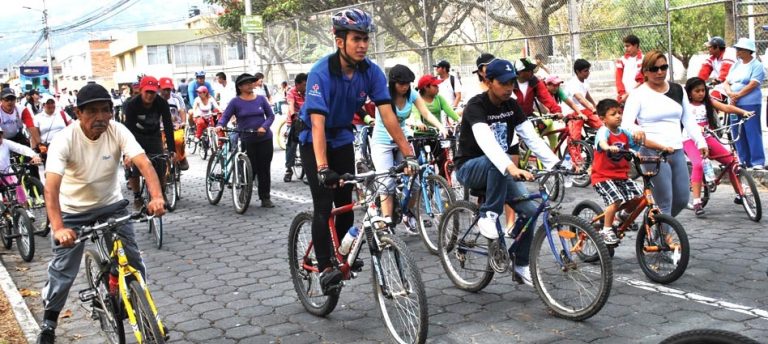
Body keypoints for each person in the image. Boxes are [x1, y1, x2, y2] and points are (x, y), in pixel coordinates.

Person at [297, 8, 418, 294]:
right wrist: (323, 168)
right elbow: (317, 125)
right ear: (340, 41)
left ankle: (341, 256)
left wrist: (409, 153)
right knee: (324, 204)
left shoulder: (372, 72)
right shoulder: (321, 73)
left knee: (346, 206)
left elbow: (388, 116)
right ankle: (326, 266)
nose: (363, 44)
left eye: (365, 38)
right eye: (356, 38)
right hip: (314, 140)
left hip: (341, 138)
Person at [36, 83, 166, 344]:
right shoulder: (65, 140)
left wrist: (157, 197)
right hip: (73, 212)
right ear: (77, 113)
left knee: (133, 260)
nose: (101, 117)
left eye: (106, 110)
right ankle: (49, 323)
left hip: (111, 205)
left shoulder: (116, 130)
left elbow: (144, 163)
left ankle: (143, 308)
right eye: (92, 111)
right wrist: (59, 227)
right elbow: (51, 189)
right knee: (64, 271)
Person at [455, 58, 559, 286]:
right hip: (470, 167)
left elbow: (531, 136)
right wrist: (511, 167)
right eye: (503, 83)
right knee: (497, 159)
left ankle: (520, 265)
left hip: (499, 169)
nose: (509, 87)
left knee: (531, 212)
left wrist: (555, 163)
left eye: (512, 82)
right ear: (489, 81)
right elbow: (487, 142)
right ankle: (489, 215)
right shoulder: (476, 106)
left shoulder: (511, 106)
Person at [622, 50, 708, 218]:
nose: (660, 72)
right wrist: (636, 129)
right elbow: (626, 123)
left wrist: (700, 141)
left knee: (682, 200)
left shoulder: (677, 90)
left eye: (664, 67)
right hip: (651, 152)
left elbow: (688, 119)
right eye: (654, 69)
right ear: (645, 71)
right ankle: (664, 240)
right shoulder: (638, 94)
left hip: (675, 149)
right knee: (665, 201)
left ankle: (658, 225)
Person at [371, 65, 447, 235]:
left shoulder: (411, 94)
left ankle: (407, 212)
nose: (405, 87)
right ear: (393, 83)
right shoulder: (383, 95)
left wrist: (440, 126)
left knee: (415, 183)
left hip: (403, 140)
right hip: (383, 141)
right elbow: (389, 122)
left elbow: (426, 113)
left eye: (408, 83)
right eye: (401, 83)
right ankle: (387, 223)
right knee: (387, 183)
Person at [591, 99, 673, 245]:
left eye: (619, 113)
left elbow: (642, 143)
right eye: (613, 114)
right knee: (615, 199)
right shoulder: (604, 132)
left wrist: (662, 147)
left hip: (621, 175)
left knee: (637, 198)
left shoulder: (624, 133)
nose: (618, 116)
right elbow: (602, 142)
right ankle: (606, 230)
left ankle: (622, 216)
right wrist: (608, 148)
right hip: (603, 176)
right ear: (603, 118)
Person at [683, 77, 752, 215]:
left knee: (731, 162)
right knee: (698, 165)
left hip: (708, 138)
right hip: (689, 140)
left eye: (703, 90)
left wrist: (743, 112)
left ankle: (740, 194)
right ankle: (697, 201)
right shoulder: (685, 106)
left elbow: (726, 107)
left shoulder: (708, 103)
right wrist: (698, 129)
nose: (701, 93)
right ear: (689, 93)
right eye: (697, 91)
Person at [216, 73, 276, 208]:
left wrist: (264, 127)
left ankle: (265, 197)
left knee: (264, 169)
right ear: (240, 87)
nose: (250, 85)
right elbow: (225, 116)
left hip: (265, 138)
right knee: (249, 168)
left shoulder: (261, 99)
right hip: (247, 139)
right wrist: (220, 125)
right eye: (247, 83)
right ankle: (245, 191)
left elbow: (271, 116)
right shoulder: (235, 102)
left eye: (251, 82)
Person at [123, 76, 175, 211]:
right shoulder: (132, 105)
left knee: (161, 164)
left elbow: (168, 125)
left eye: (153, 92)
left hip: (154, 136)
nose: (150, 95)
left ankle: (161, 193)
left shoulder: (162, 103)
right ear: (141, 90)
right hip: (136, 137)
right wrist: (128, 153)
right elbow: (128, 129)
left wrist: (171, 149)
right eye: (147, 92)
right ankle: (137, 197)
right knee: (134, 167)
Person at [723, 38, 765, 170]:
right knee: (737, 131)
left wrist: (738, 95)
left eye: (740, 49)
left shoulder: (756, 65)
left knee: (752, 131)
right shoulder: (736, 64)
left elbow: (753, 83)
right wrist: (730, 93)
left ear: (747, 51)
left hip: (750, 103)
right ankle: (743, 160)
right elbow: (726, 82)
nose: (737, 51)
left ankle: (757, 161)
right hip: (734, 104)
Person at [511, 57, 563, 150]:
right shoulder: (510, 83)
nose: (532, 72)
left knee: (539, 137)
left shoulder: (534, 81)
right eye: (529, 70)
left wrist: (556, 111)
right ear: (520, 72)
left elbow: (545, 97)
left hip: (528, 116)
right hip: (512, 117)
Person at [33, 95, 73, 184]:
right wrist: (39, 146)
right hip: (47, 148)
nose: (51, 105)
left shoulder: (62, 114)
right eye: (48, 103)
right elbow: (35, 134)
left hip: (64, 144)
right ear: (43, 105)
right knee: (52, 170)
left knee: (67, 168)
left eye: (52, 103)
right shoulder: (38, 117)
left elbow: (71, 126)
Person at [159, 77, 189, 171]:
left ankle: (181, 158)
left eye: (169, 89)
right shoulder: (155, 99)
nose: (167, 92)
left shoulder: (177, 98)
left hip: (175, 126)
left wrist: (183, 123)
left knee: (178, 140)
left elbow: (182, 111)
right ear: (159, 88)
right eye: (165, 89)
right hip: (160, 128)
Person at [284, 73, 307, 183]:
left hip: (307, 121)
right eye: (303, 85)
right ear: (297, 85)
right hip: (294, 122)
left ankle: (309, 168)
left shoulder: (309, 91)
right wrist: (294, 116)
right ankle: (288, 170)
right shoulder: (291, 92)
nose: (305, 87)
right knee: (291, 145)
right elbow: (291, 105)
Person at [615, 34, 644, 104]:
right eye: (625, 46)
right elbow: (618, 79)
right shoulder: (621, 60)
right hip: (624, 96)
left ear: (636, 46)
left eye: (628, 46)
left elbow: (642, 80)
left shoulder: (644, 59)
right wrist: (622, 94)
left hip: (640, 94)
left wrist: (629, 94)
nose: (625, 48)